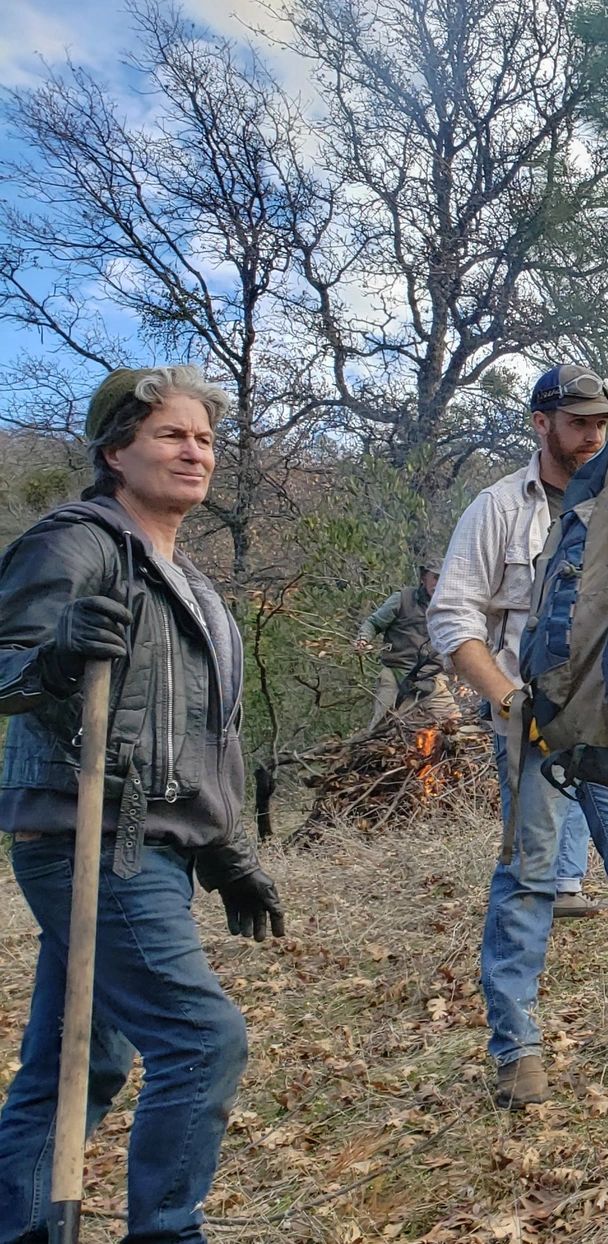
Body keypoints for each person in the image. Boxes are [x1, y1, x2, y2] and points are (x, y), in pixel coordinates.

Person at [0, 365, 286, 1244]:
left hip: (152, 846)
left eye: (203, 438)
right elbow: (6, 667)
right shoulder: (77, 544)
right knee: (202, 1040)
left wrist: (228, 855)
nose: (194, 451)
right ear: (115, 449)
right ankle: (169, 1232)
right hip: (88, 837)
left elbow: (202, 746)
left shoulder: (194, 586)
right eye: (171, 434)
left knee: (72, 1068)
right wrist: (53, 655)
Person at [430, 362, 608, 1107]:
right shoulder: (499, 508)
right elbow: (452, 621)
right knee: (530, 883)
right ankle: (517, 1052)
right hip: (532, 725)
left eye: (603, 423)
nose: (594, 436)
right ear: (541, 424)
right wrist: (505, 700)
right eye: (579, 423)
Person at [359, 563, 457, 729]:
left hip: (432, 679)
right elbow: (374, 623)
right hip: (396, 676)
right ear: (423, 577)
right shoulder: (402, 599)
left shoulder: (452, 607)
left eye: (443, 578)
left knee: (455, 727)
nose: (439, 583)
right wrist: (363, 639)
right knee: (380, 733)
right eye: (436, 577)